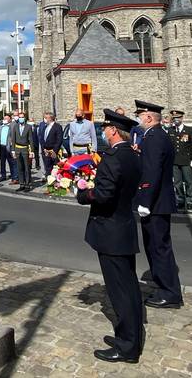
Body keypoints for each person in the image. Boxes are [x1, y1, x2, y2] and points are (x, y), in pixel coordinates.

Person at [78, 109, 145, 364]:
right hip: (124, 226)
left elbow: (104, 195)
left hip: (111, 230)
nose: (104, 132)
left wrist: (83, 194)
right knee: (128, 286)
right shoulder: (131, 155)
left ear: (114, 131)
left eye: (106, 128)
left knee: (120, 291)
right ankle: (128, 336)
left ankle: (128, 347)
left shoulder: (113, 158)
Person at [133, 100, 183, 310]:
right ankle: (165, 287)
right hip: (158, 200)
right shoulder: (156, 136)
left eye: (140, 115)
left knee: (158, 248)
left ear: (149, 117)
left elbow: (152, 172)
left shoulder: (154, 138)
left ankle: (169, 292)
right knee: (157, 247)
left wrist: (145, 201)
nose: (139, 119)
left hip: (156, 203)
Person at [167, 110, 192, 211]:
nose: (176, 120)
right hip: (175, 161)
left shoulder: (189, 130)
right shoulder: (171, 130)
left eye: (178, 118)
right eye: (174, 118)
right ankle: (180, 199)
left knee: (188, 181)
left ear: (181, 118)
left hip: (186, 160)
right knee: (177, 182)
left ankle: (190, 200)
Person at [9, 111, 34, 191]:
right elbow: (13, 139)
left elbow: (31, 139)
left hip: (25, 149)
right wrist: (13, 150)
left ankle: (27, 184)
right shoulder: (15, 126)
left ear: (25, 118)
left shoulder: (28, 127)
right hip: (17, 149)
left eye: (22, 117)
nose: (21, 119)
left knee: (26, 168)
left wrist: (32, 151)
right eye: (20, 117)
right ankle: (21, 184)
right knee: (19, 167)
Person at [38, 112, 63, 178]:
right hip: (46, 151)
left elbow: (59, 140)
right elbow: (42, 138)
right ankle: (49, 183)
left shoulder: (57, 127)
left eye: (46, 118)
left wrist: (54, 151)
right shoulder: (45, 127)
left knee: (55, 170)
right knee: (48, 169)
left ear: (51, 118)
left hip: (54, 151)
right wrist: (44, 149)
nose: (45, 119)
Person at [0, 114, 14, 182]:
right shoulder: (0, 127)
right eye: (4, 118)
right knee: (2, 163)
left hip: (9, 147)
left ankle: (13, 176)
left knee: (11, 162)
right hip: (1, 147)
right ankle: (3, 176)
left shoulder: (12, 127)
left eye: (6, 118)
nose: (5, 120)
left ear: (10, 119)